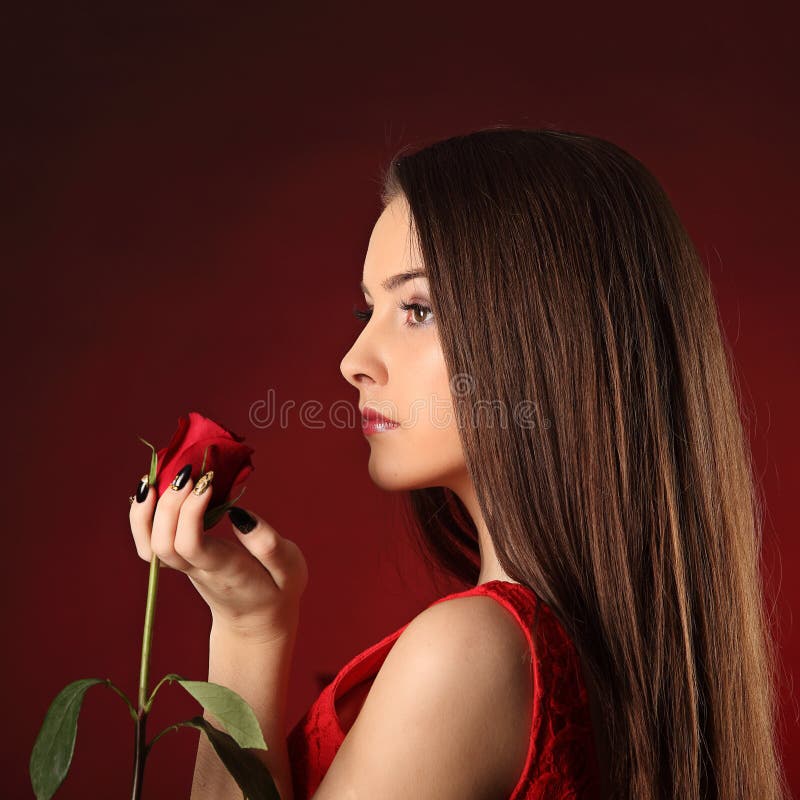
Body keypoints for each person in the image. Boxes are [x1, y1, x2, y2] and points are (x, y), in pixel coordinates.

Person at [129, 127, 788, 799]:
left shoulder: (470, 653)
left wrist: (245, 645)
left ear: (549, 339)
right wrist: (253, 622)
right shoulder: (616, 662)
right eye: (369, 308)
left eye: (418, 308)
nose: (354, 360)